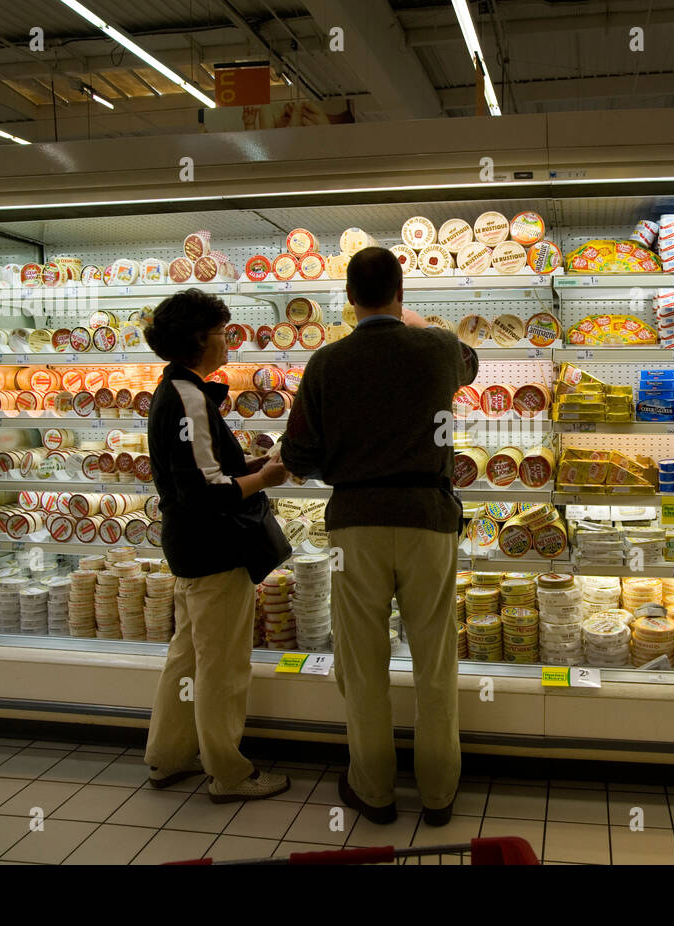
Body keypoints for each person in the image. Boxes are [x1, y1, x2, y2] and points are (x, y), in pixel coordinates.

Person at [278, 247, 478, 827]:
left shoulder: (324, 363)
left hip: (355, 523)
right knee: (434, 659)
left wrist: (347, 456)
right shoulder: (438, 349)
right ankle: (439, 794)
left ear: (347, 299)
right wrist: (415, 321)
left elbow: (298, 455)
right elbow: (471, 365)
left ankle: (375, 790)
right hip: (427, 517)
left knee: (362, 663)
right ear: (401, 291)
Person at [142, 288, 291, 803]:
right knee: (222, 668)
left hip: (189, 547)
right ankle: (229, 773)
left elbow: (202, 475)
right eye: (222, 331)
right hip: (215, 548)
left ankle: (167, 756)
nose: (228, 339)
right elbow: (206, 492)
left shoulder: (177, 389)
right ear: (197, 339)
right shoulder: (188, 397)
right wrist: (265, 479)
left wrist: (250, 468)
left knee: (185, 657)